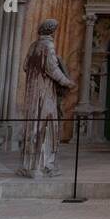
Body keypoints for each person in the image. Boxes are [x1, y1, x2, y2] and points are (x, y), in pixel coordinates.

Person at [17, 19, 74, 178]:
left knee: (33, 125)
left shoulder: (33, 46)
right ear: (52, 31)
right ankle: (45, 165)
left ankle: (29, 165)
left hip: (32, 92)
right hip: (45, 92)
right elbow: (52, 69)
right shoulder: (48, 46)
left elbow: (25, 66)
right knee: (47, 124)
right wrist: (66, 82)